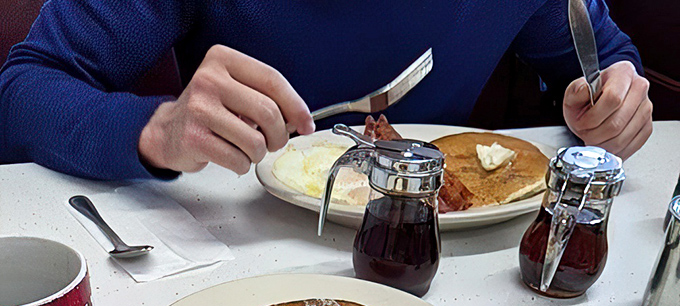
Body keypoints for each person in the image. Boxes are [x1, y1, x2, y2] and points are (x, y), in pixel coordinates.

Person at [0, 0, 652, 182]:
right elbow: (24, 90)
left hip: (455, 257)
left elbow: (603, 62)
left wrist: (610, 104)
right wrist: (157, 131)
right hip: (227, 252)